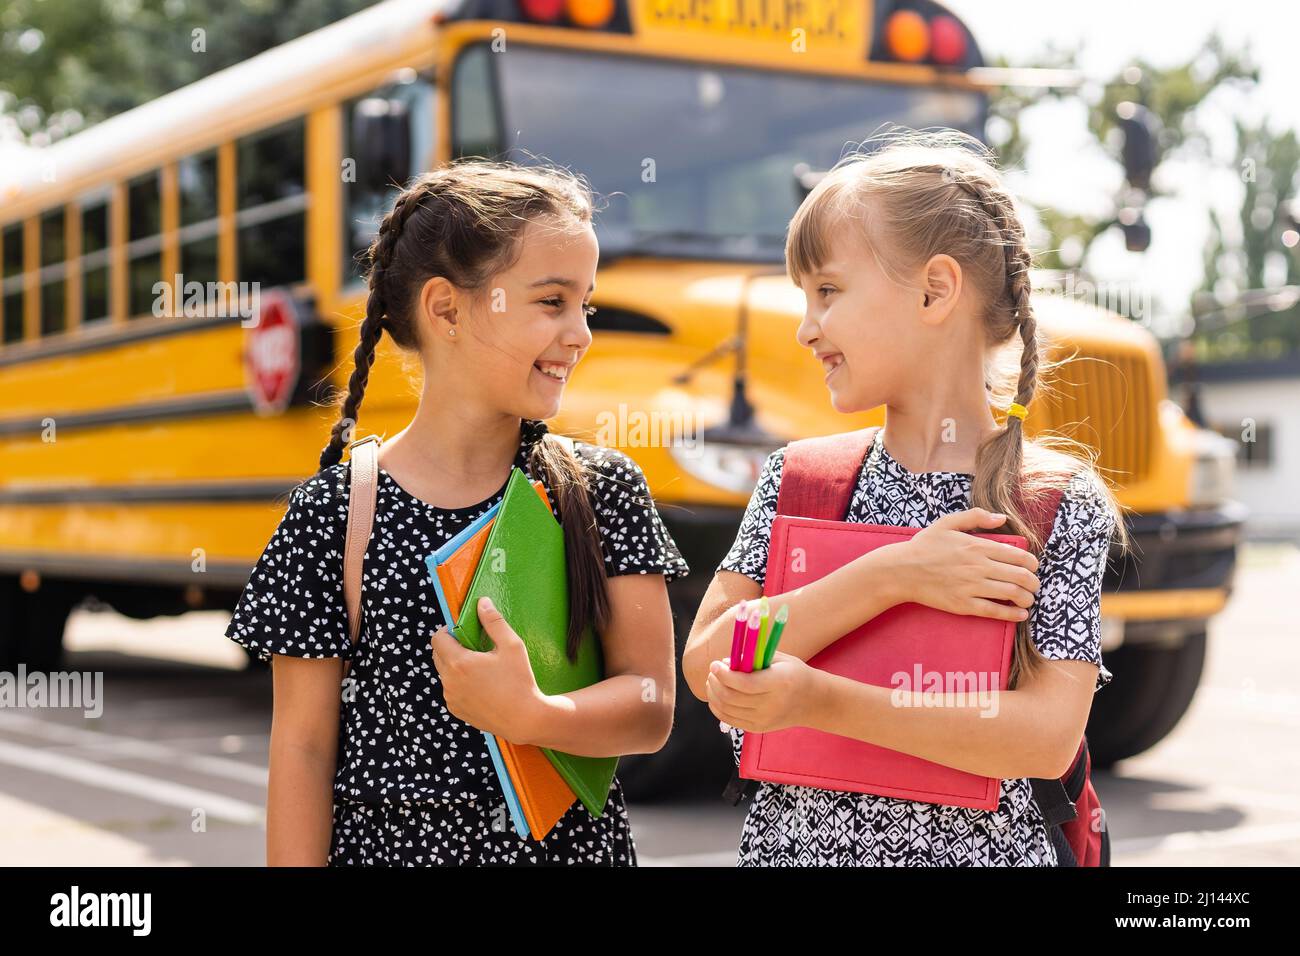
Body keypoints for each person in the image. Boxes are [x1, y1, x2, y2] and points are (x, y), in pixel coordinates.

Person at [683, 129, 1130, 866]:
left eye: (827, 291)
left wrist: (821, 701)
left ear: (935, 290)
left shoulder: (1055, 501)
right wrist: (894, 575)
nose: (805, 328)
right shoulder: (799, 478)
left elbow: (1045, 737)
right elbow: (707, 663)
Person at [225, 159, 689, 865]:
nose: (581, 334)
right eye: (552, 301)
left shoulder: (601, 491)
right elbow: (302, 748)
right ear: (445, 309)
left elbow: (652, 705)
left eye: (584, 305)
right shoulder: (334, 515)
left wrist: (533, 715)